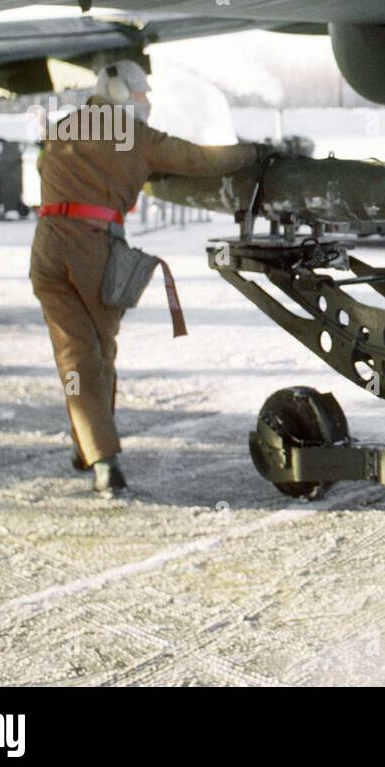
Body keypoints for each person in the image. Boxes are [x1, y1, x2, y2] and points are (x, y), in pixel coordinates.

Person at [30, 60, 266, 495]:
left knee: (73, 354)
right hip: (91, 248)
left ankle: (88, 447)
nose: (147, 101)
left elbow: (48, 170)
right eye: (140, 94)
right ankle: (104, 463)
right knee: (94, 356)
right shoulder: (134, 135)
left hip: (46, 247)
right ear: (121, 94)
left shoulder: (65, 127)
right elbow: (200, 160)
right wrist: (255, 152)